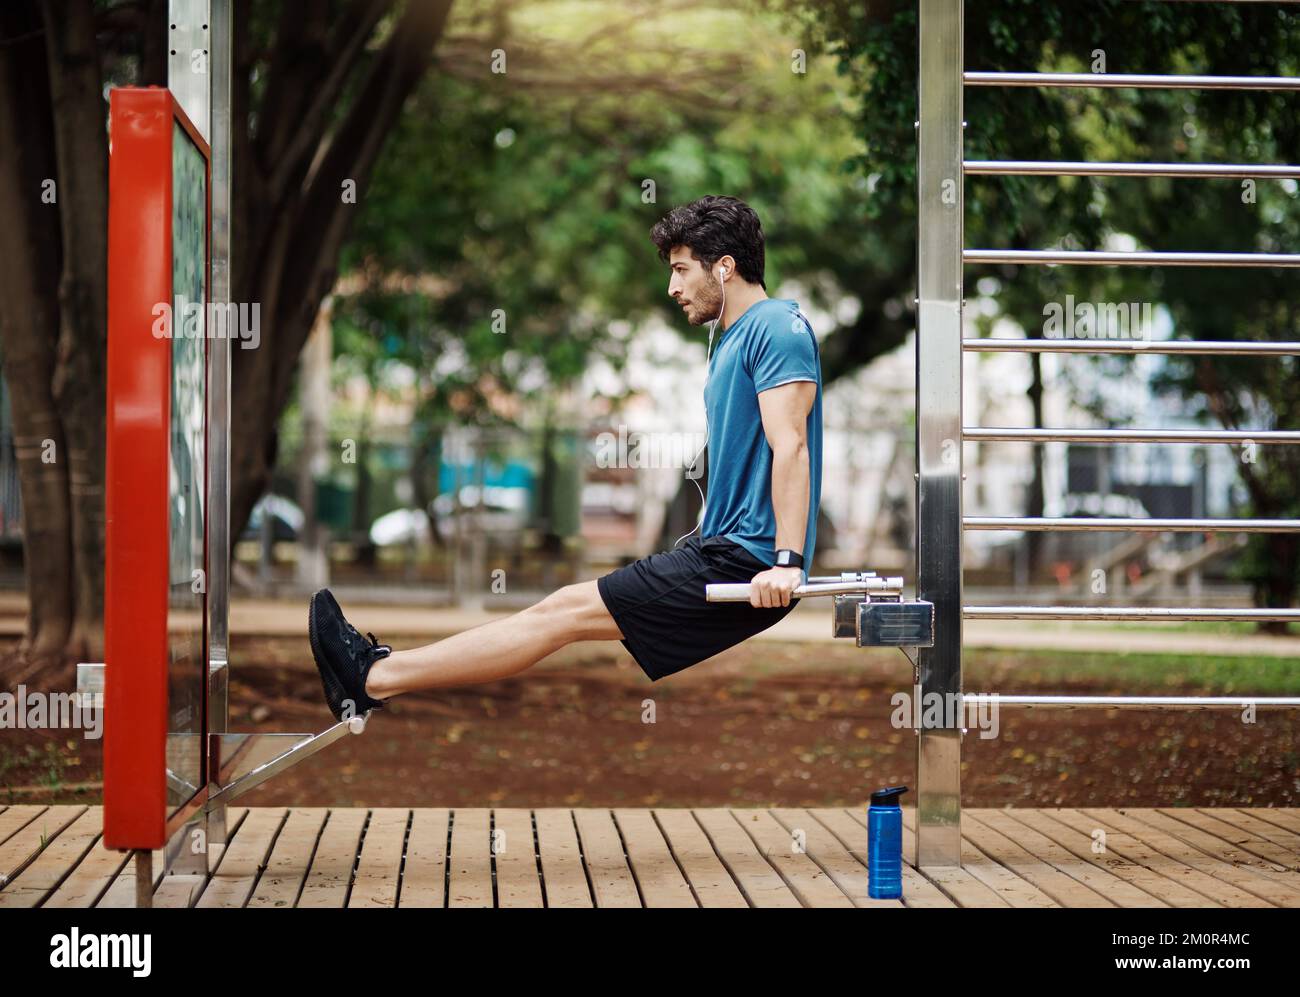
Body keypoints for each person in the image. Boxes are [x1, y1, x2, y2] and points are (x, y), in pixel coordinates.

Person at [308, 194, 824, 721]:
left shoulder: (777, 328)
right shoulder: (731, 339)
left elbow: (792, 446)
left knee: (564, 612)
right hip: (725, 551)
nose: (672, 287)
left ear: (725, 267)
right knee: (563, 613)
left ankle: (372, 677)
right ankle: (375, 676)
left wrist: (785, 562)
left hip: (747, 561)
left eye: (681, 270)